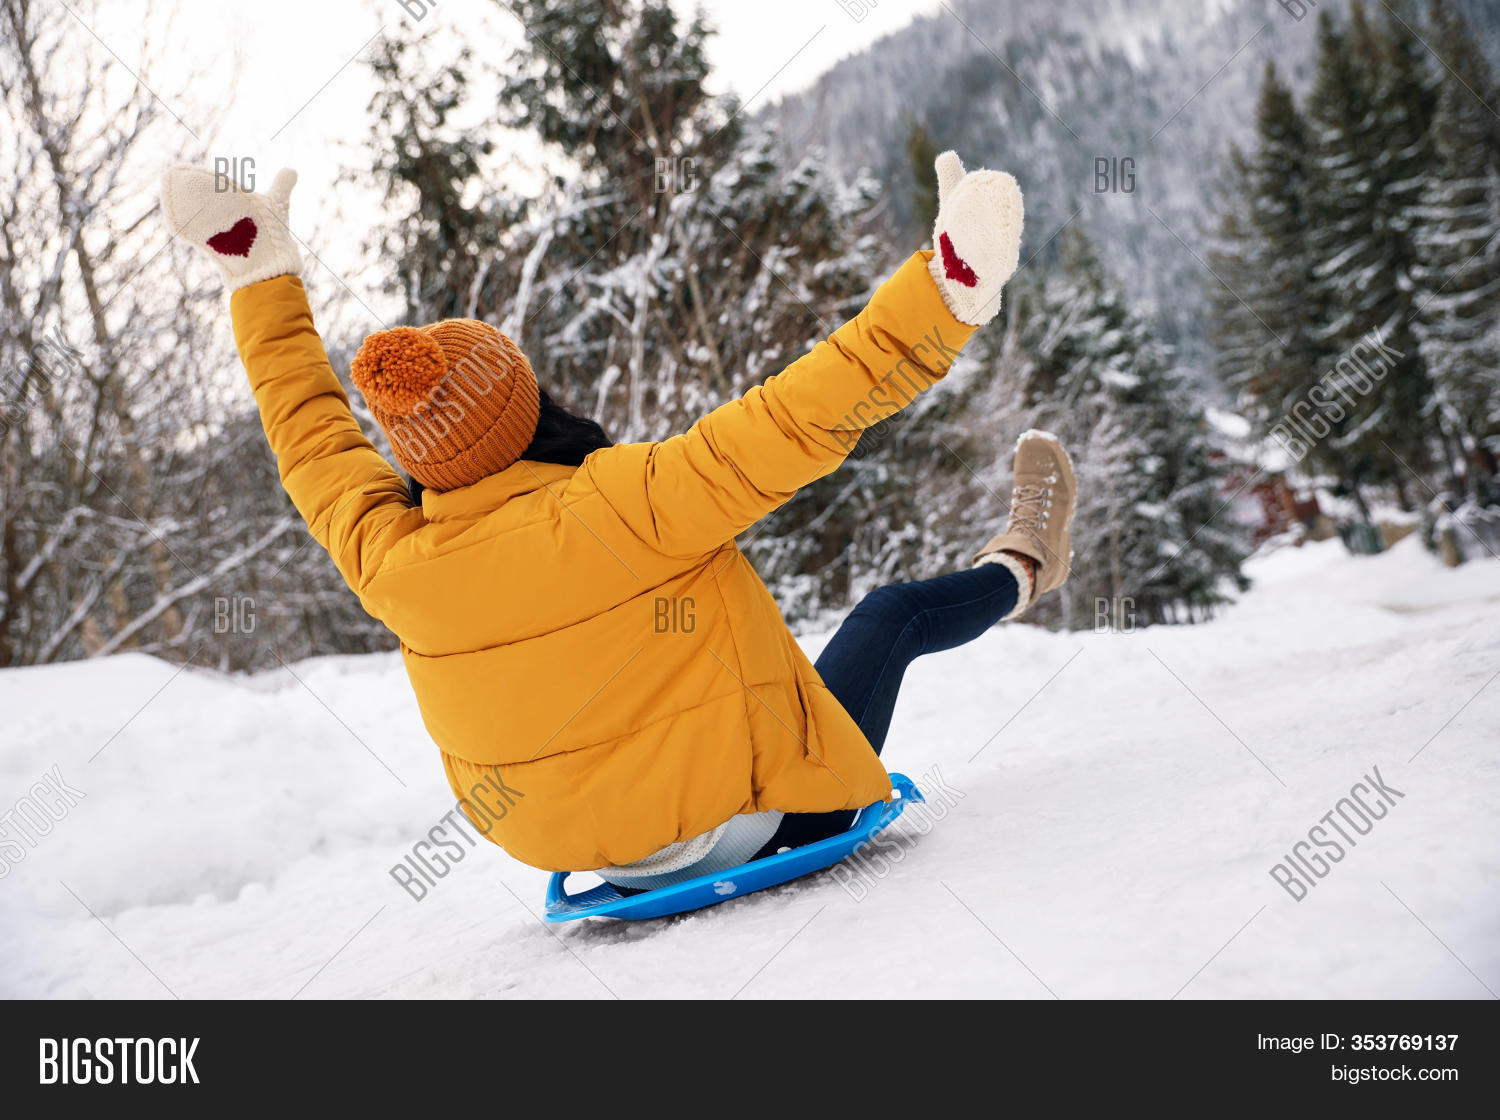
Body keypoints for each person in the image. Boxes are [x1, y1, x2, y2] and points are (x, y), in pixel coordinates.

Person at [159, 150, 1075, 887]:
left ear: (414, 460)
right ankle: (1025, 557)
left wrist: (261, 275)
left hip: (588, 857)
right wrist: (944, 294)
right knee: (890, 618)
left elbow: (310, 436)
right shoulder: (627, 501)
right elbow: (803, 410)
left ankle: (1017, 558)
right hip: (756, 821)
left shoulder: (390, 554)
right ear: (529, 408)